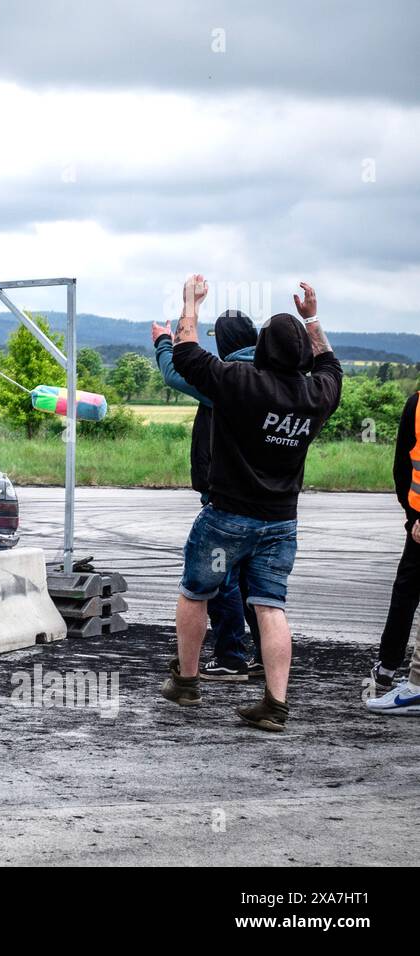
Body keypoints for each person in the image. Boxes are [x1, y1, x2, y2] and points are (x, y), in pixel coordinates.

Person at [159, 276, 342, 732]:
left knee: (196, 591)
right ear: (301, 353)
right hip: (281, 521)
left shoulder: (238, 382)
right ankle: (274, 704)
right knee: (270, 605)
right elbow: (330, 364)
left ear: (262, 350)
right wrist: (312, 318)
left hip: (226, 518)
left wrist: (190, 304)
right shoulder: (317, 394)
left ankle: (186, 681)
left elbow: (184, 355)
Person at [153, 310, 263, 681]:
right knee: (256, 583)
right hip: (266, 500)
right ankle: (264, 654)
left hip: (224, 498)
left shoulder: (226, 380)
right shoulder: (274, 378)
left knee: (221, 578)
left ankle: (231, 656)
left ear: (226, 342)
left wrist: (163, 342)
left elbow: (174, 373)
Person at [363, 391, 420, 703]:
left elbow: (402, 466)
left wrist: (413, 516)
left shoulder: (417, 403)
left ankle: (387, 668)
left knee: (406, 593)